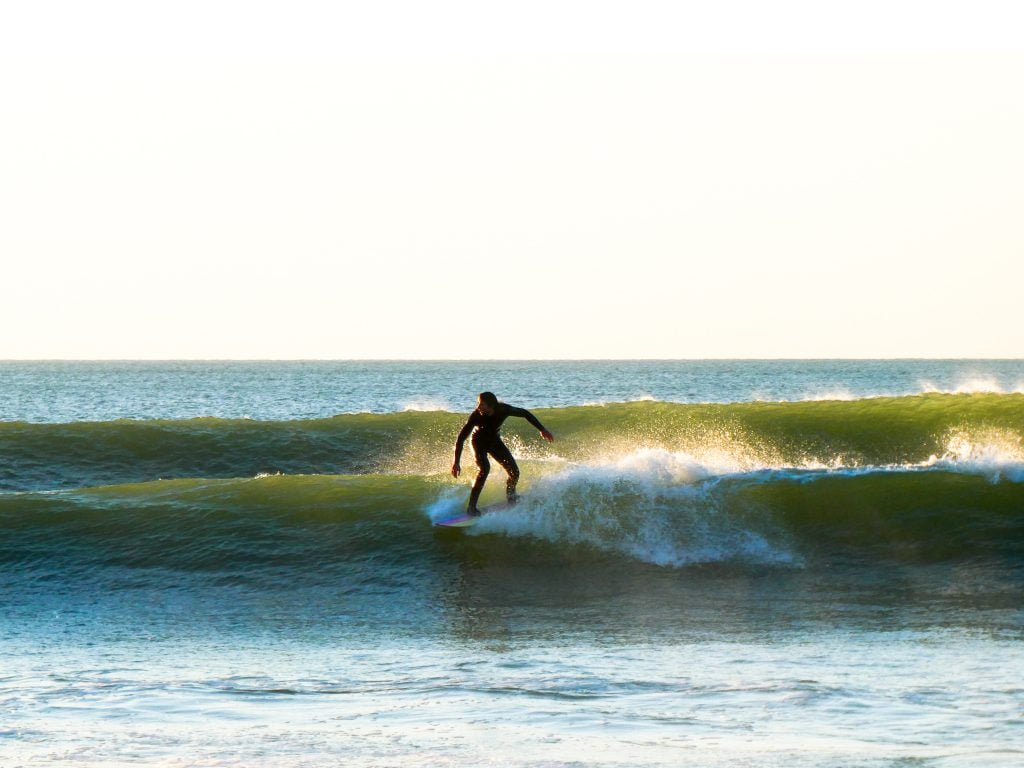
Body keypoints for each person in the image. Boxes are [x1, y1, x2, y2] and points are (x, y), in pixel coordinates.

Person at [451, 391, 554, 516]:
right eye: (478, 404)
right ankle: (471, 507)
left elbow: (525, 413)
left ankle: (511, 496)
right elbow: (461, 439)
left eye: (482, 405)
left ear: (491, 406)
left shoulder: (503, 409)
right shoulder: (476, 416)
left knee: (514, 472)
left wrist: (542, 429)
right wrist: (456, 462)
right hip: (478, 442)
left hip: (494, 441)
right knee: (484, 469)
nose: (478, 407)